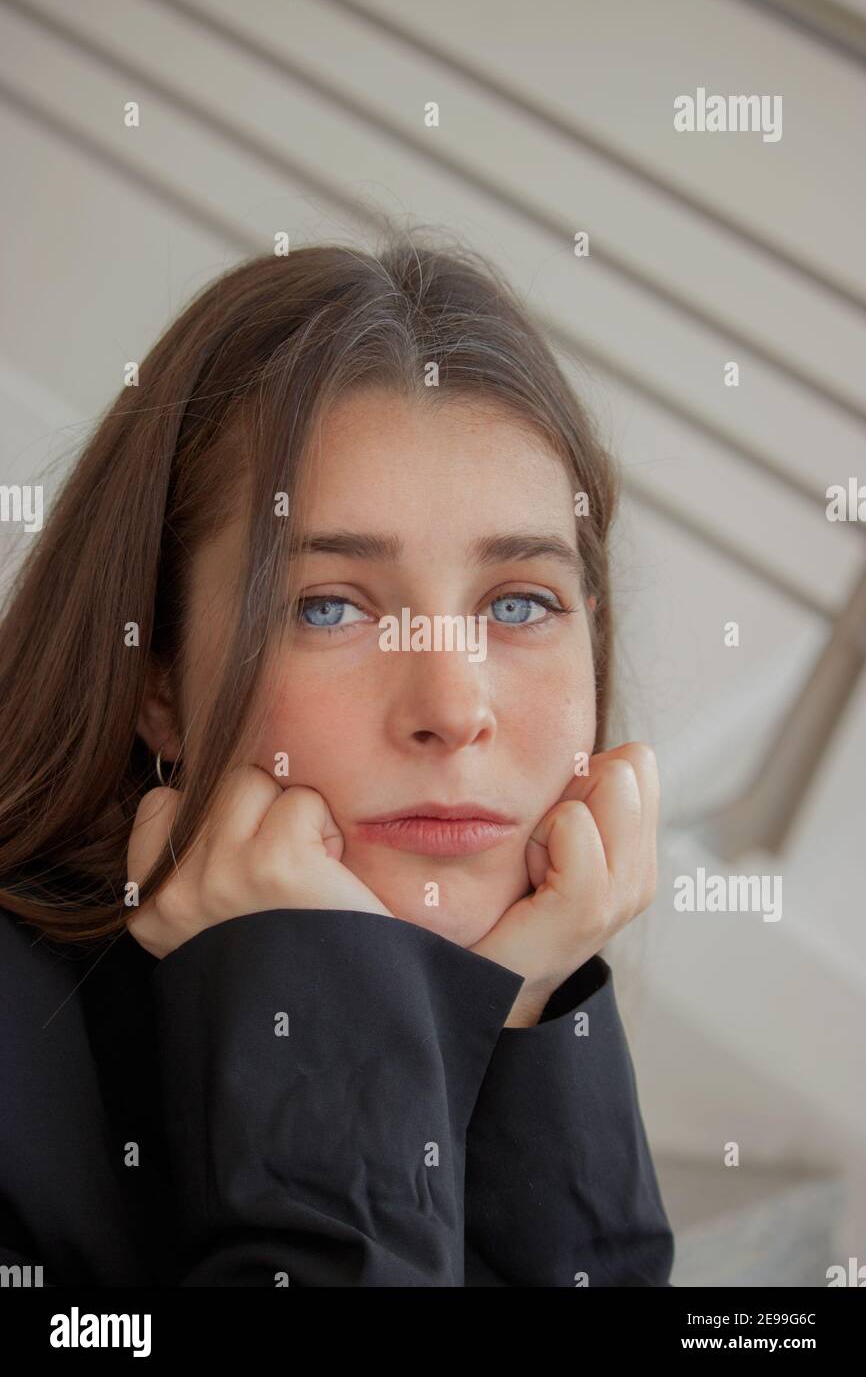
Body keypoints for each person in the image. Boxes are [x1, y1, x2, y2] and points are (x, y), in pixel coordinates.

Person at [0, 230, 674, 1287]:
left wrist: (501, 1015)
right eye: (330, 607)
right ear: (157, 679)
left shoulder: (523, 977)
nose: (452, 709)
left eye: (516, 603)